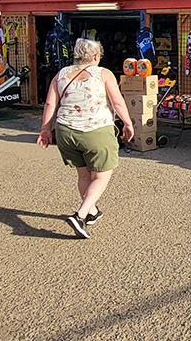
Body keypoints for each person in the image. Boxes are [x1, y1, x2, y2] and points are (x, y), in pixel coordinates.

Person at [37, 38, 134, 238]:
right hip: (96, 130)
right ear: (96, 56)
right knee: (100, 176)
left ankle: (92, 211)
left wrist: (45, 129)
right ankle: (80, 215)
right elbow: (117, 101)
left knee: (83, 175)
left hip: (65, 131)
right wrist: (128, 123)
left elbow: (49, 104)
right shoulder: (103, 73)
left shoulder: (60, 75)